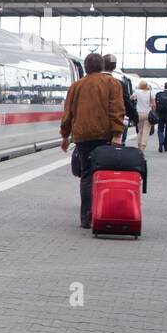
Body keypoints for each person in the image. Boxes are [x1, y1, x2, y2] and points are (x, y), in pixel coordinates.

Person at [60, 52, 124, 229]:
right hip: (104, 136)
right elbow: (116, 110)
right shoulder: (112, 83)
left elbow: (68, 113)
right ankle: (102, 212)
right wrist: (117, 134)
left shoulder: (76, 86)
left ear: (86, 68)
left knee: (86, 175)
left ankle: (85, 218)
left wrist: (65, 136)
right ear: (102, 67)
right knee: (103, 174)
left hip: (82, 137)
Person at [102, 54, 136, 146]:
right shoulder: (119, 84)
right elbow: (124, 105)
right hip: (111, 127)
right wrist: (135, 119)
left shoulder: (84, 83)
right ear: (114, 67)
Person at [132, 79, 155, 151]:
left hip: (139, 114)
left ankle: (139, 146)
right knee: (146, 131)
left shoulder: (137, 92)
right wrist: (152, 109)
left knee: (140, 131)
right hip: (148, 114)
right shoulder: (151, 93)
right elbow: (154, 105)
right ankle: (143, 147)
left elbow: (130, 98)